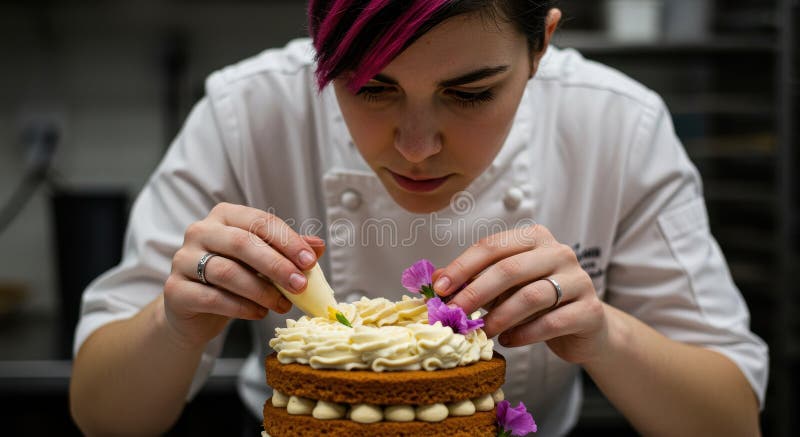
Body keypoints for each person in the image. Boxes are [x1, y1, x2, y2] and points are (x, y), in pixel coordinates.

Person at [69, 1, 768, 435]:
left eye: (470, 92)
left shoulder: (617, 126)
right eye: (370, 86)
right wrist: (173, 323)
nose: (416, 146)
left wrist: (603, 332)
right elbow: (103, 415)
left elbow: (731, 419)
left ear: (540, 45)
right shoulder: (245, 114)